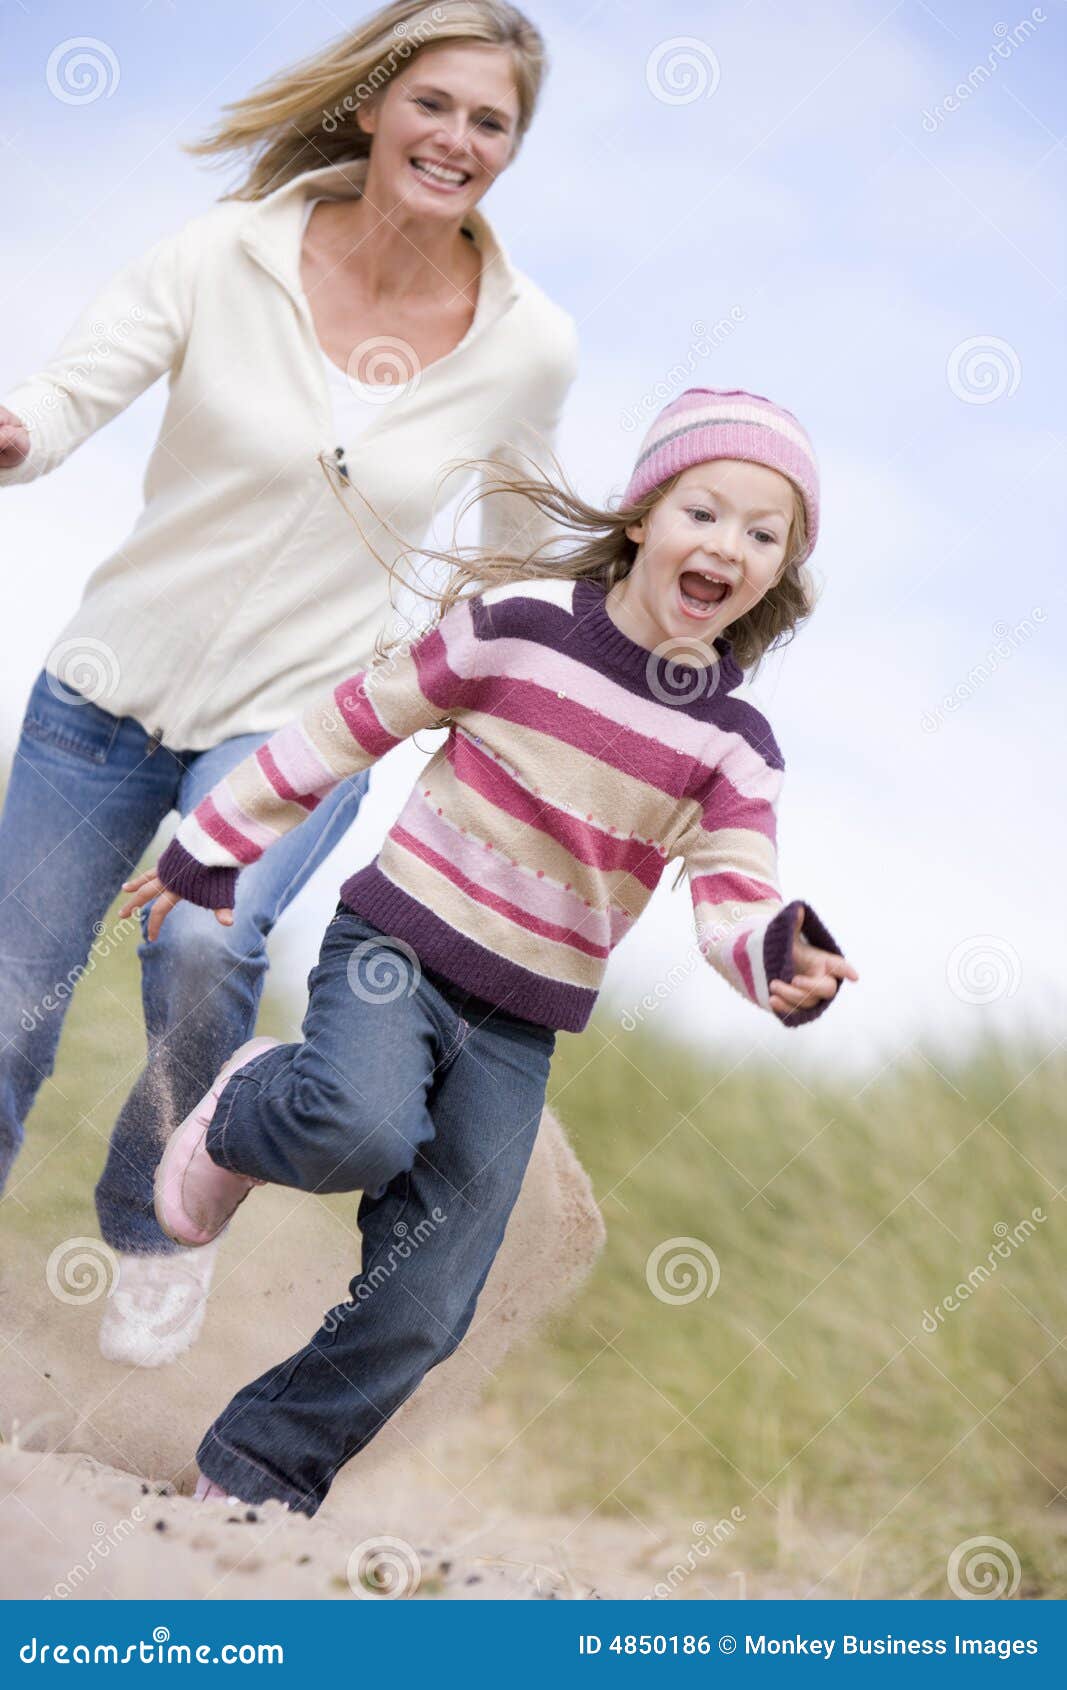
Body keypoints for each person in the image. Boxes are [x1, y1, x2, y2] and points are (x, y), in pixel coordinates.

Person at [120, 386, 861, 1515]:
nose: (726, 546)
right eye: (702, 512)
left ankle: (256, 1470)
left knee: (429, 1299)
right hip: (399, 948)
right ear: (640, 517)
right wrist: (210, 847)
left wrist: (779, 955)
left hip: (519, 1024)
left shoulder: (731, 747)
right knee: (357, 1121)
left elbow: (731, 894)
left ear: (777, 575)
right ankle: (245, 1107)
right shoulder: (517, 625)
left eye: (763, 535)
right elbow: (349, 722)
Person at [0, 1, 590, 1366]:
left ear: (510, 149)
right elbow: (64, 401)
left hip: (302, 721)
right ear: (377, 105)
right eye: (433, 104)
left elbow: (507, 556)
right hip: (102, 693)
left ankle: (152, 1226)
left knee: (203, 938)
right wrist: (17, 431)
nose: (456, 139)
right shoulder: (226, 253)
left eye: (489, 121)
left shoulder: (524, 340)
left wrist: (529, 707)